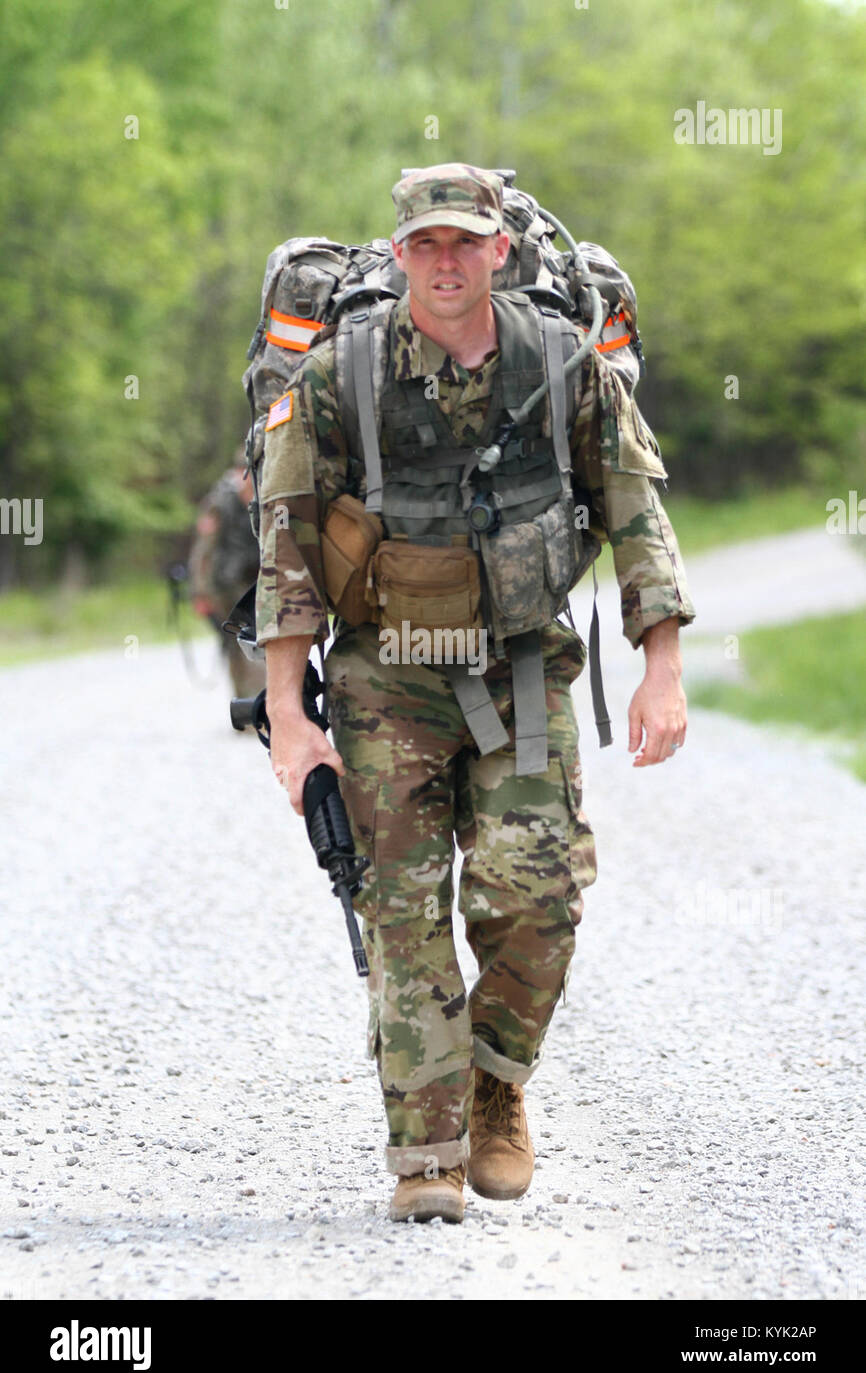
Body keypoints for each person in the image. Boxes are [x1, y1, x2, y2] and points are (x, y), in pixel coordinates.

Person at [254, 163, 695, 1223]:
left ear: (500, 251)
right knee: (400, 914)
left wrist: (661, 663)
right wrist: (284, 712)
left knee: (533, 901)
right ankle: (426, 1157)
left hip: (521, 663)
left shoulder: (560, 363)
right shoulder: (342, 372)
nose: (445, 263)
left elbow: (628, 500)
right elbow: (286, 538)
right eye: (426, 245)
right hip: (383, 675)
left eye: (465, 243)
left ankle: (496, 1079)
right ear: (401, 253)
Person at [188, 450, 262, 699]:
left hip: (254, 581)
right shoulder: (220, 503)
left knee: (257, 642)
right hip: (224, 584)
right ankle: (246, 702)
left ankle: (255, 704)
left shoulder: (265, 499)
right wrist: (200, 592)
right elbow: (204, 551)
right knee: (237, 643)